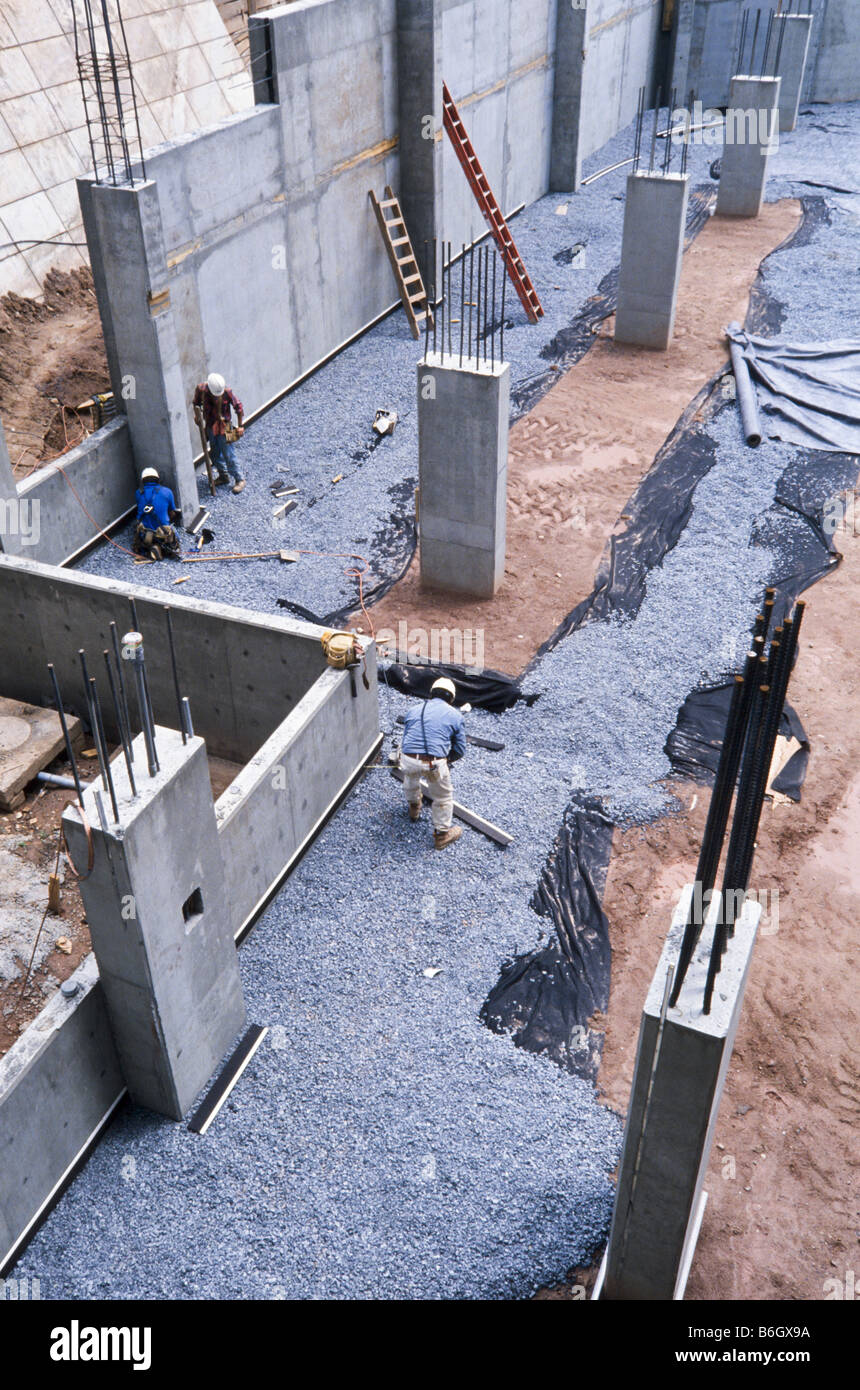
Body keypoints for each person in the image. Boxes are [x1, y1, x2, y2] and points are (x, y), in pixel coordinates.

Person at [399, 677, 466, 849]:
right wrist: (447, 760)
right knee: (443, 797)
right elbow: (460, 749)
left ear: (431, 694)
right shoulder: (455, 715)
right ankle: (442, 835)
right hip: (433, 763)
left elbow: (406, 737)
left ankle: (414, 807)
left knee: (411, 779)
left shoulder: (414, 709)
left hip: (407, 758)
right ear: (451, 698)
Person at [193, 372, 246, 494]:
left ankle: (239, 479)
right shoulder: (201, 390)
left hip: (225, 426)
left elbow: (239, 408)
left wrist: (240, 426)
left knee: (229, 454)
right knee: (214, 454)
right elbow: (195, 403)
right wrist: (197, 416)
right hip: (211, 426)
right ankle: (223, 476)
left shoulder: (227, 392)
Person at [133, 467, 181, 560]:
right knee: (174, 534)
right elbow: (172, 512)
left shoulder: (138, 493)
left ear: (143, 481)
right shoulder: (167, 492)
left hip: (145, 533)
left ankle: (153, 547)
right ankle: (164, 547)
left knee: (141, 528)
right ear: (158, 479)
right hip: (163, 532)